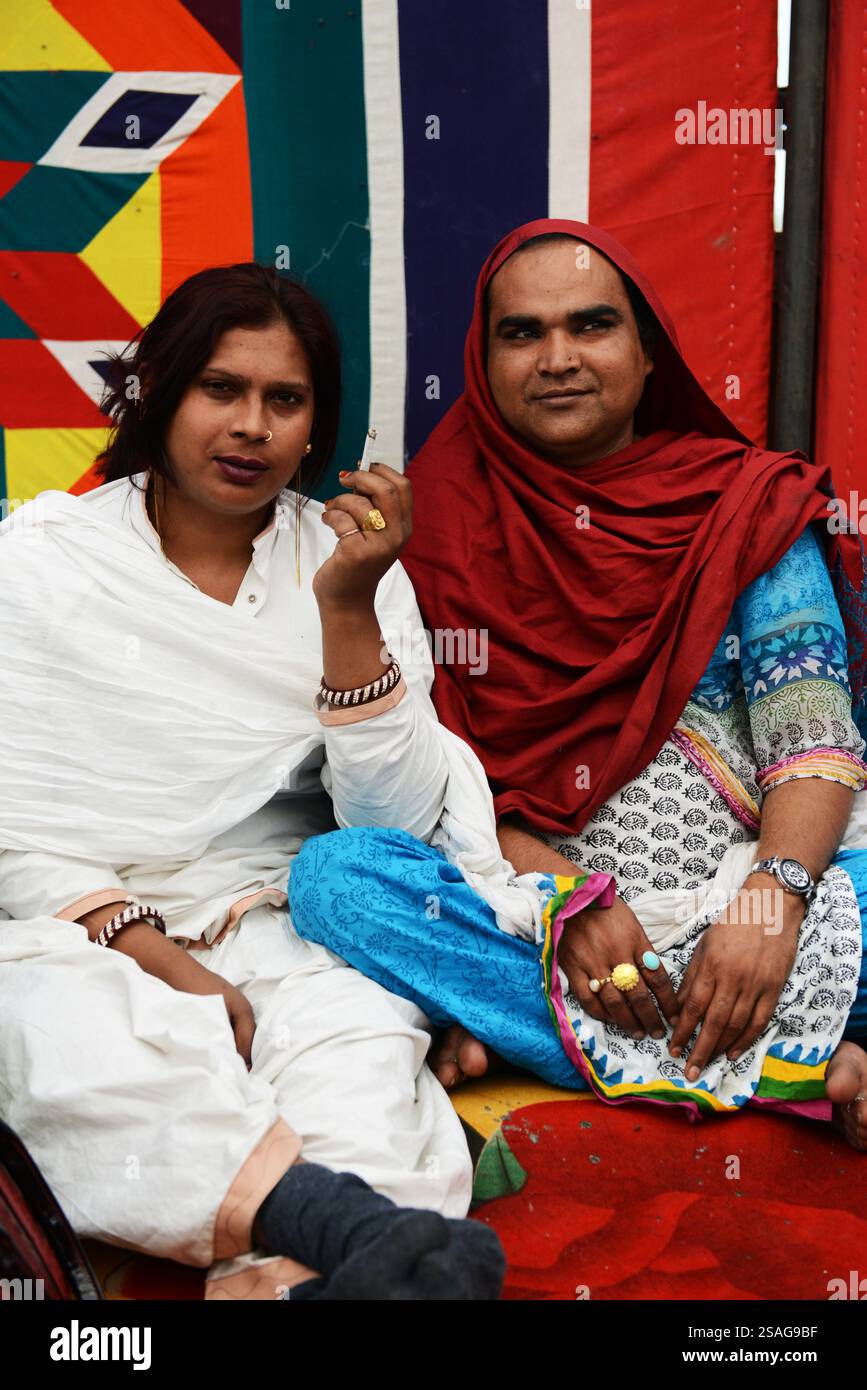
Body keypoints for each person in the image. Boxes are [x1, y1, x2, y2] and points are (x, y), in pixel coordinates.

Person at [288, 219, 867, 1153]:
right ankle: (788, 1064)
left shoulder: (745, 506)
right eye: (522, 333)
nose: (556, 358)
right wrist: (571, 903)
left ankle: (568, 1037)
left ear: (646, 358)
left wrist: (768, 906)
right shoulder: (428, 530)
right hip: (537, 916)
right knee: (335, 881)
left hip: (762, 900)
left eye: (590, 326)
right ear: (484, 362)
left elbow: (814, 741)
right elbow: (433, 782)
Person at [0, 262, 506, 1300]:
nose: (252, 427)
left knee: (362, 1057)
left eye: (286, 400)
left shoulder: (347, 558)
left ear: (317, 427)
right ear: (159, 393)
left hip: (280, 914)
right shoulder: (45, 561)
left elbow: (391, 832)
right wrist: (159, 960)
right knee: (52, 1031)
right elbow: (14, 823)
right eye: (220, 389)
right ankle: (349, 1232)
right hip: (70, 927)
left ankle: (286, 1281)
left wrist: (349, 610)